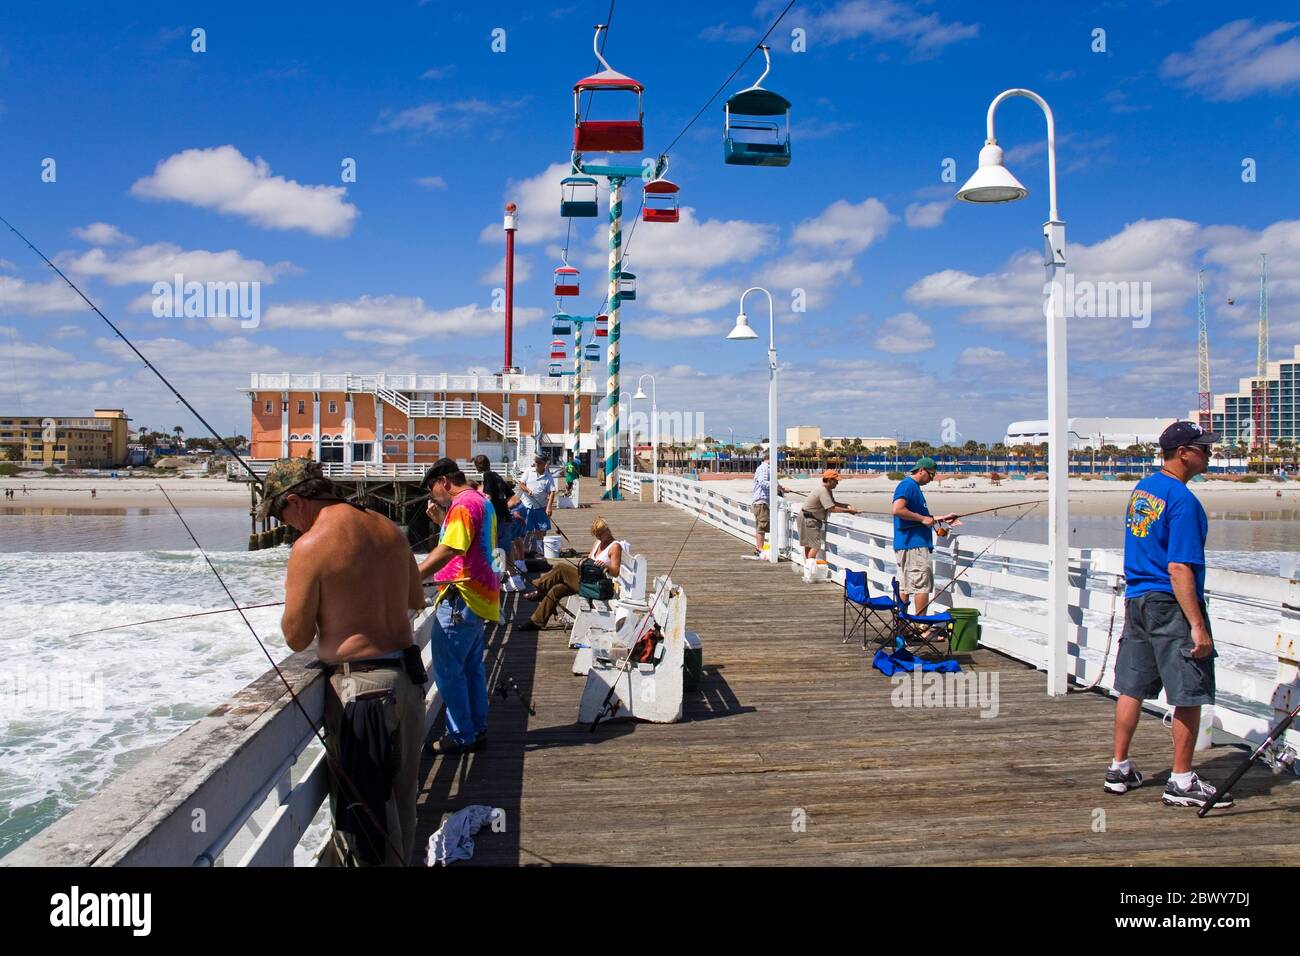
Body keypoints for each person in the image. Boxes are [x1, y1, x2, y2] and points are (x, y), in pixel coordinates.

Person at [268, 458, 427, 867]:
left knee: (366, 828)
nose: (284, 523)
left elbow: (296, 636)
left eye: (279, 512)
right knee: (402, 811)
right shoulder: (388, 528)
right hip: (407, 683)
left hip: (362, 696)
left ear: (296, 501)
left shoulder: (310, 545)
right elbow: (415, 599)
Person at [1107, 422, 1232, 809]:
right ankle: (1180, 781)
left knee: (1132, 686)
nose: (1209, 454)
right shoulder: (1182, 501)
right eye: (1203, 448)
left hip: (1138, 598)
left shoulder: (1144, 489)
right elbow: (1179, 567)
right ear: (1183, 453)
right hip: (1168, 603)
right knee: (1187, 690)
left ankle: (1119, 767)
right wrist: (1198, 626)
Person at [418, 458, 500, 756]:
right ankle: (476, 728)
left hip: (459, 597)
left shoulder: (463, 505)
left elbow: (452, 548)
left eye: (432, 488)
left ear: (444, 482)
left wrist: (412, 578)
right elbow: (469, 543)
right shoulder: (481, 500)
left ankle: (462, 735)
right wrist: (442, 521)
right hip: (479, 598)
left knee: (448, 671)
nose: (431, 496)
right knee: (471, 668)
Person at [518, 516, 627, 631]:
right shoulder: (598, 542)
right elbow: (589, 560)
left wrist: (606, 566)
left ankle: (539, 587)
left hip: (597, 585)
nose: (598, 537)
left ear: (607, 530)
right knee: (556, 590)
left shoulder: (615, 547)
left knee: (561, 568)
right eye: (596, 534)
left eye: (600, 534)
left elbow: (615, 572)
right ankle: (536, 622)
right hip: (587, 579)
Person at [891, 457, 957, 616]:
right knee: (922, 586)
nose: (932, 479)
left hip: (907, 544)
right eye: (931, 474)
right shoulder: (908, 485)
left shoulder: (912, 487)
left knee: (905, 586)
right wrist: (922, 519)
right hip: (914, 545)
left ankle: (904, 624)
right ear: (921, 470)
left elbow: (922, 517)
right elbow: (897, 510)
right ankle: (921, 627)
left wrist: (941, 518)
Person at [800, 469, 858, 560]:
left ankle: (808, 568)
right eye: (836, 481)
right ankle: (810, 569)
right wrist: (848, 511)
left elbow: (833, 503)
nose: (837, 483)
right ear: (830, 480)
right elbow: (831, 508)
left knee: (809, 545)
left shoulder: (826, 490)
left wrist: (847, 505)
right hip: (809, 519)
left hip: (806, 517)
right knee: (815, 546)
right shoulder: (823, 491)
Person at [474, 454, 517, 559]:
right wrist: (501, 504)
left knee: (496, 549)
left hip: (497, 518)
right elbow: (510, 494)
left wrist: (480, 509)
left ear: (478, 466)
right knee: (506, 549)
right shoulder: (497, 476)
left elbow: (488, 496)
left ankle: (501, 573)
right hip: (505, 516)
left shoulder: (487, 476)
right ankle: (513, 574)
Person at [513, 453, 557, 555]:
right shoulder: (529, 471)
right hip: (527, 506)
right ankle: (523, 550)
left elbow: (552, 492)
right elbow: (521, 484)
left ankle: (539, 549)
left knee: (541, 528)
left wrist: (549, 507)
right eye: (535, 461)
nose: (536, 463)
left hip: (541, 506)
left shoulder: (548, 476)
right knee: (525, 528)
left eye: (539, 462)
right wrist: (527, 489)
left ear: (544, 464)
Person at [749, 451, 788, 558]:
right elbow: (763, 482)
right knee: (762, 525)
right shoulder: (764, 468)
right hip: (761, 501)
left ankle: (759, 548)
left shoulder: (766, 469)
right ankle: (760, 549)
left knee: (761, 525)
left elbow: (771, 483)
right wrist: (776, 486)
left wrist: (781, 488)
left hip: (763, 501)